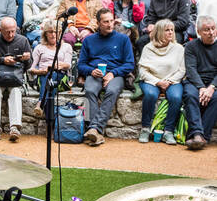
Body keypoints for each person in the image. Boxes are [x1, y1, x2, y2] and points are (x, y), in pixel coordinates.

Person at [77, 8, 136, 145]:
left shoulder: (123, 39)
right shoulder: (89, 40)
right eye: (105, 22)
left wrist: (113, 73)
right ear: (98, 23)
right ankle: (96, 131)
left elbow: (129, 64)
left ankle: (94, 128)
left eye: (111, 21)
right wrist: (92, 71)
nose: (110, 24)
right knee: (90, 90)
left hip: (116, 73)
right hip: (95, 73)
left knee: (112, 91)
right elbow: (81, 65)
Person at [0, 15, 31, 142]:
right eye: (7, 32)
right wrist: (2, 60)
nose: (10, 35)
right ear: (0, 30)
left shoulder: (23, 40)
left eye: (13, 31)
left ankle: (14, 128)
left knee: (16, 92)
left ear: (16, 29)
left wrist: (27, 59)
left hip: (16, 78)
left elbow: (29, 65)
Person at [137, 19, 185, 144]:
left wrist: (169, 81)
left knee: (176, 97)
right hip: (151, 79)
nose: (170, 33)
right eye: (167, 30)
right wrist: (157, 82)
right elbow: (143, 71)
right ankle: (145, 129)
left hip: (172, 81)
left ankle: (168, 131)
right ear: (158, 32)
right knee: (151, 95)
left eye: (172, 30)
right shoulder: (148, 48)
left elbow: (182, 70)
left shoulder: (179, 48)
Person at [183, 15, 217, 150]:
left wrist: (212, 87)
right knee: (190, 95)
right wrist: (202, 87)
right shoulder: (191, 46)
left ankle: (202, 137)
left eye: (213, 29)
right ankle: (198, 134)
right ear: (198, 32)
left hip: (214, 83)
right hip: (195, 81)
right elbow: (190, 69)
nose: (211, 32)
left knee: (215, 98)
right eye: (207, 30)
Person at [29, 19, 73, 118]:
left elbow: (68, 65)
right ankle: (51, 126)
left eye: (56, 32)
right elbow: (31, 69)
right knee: (49, 80)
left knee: (51, 74)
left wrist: (55, 67)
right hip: (43, 77)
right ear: (45, 34)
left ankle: (40, 102)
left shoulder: (66, 46)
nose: (53, 35)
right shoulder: (39, 48)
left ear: (60, 33)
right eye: (50, 32)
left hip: (61, 78)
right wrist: (41, 71)